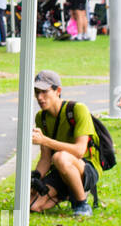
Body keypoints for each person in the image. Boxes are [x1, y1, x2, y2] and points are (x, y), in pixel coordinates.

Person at [28, 70, 96, 217]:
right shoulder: (42, 117)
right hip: (60, 170)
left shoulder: (78, 109)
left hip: (85, 168)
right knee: (32, 206)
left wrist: (45, 140)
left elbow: (79, 150)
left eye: (44, 92)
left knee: (60, 157)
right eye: (36, 92)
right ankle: (64, 193)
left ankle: (81, 204)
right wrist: (35, 179)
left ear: (57, 91)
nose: (40, 97)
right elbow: (46, 158)